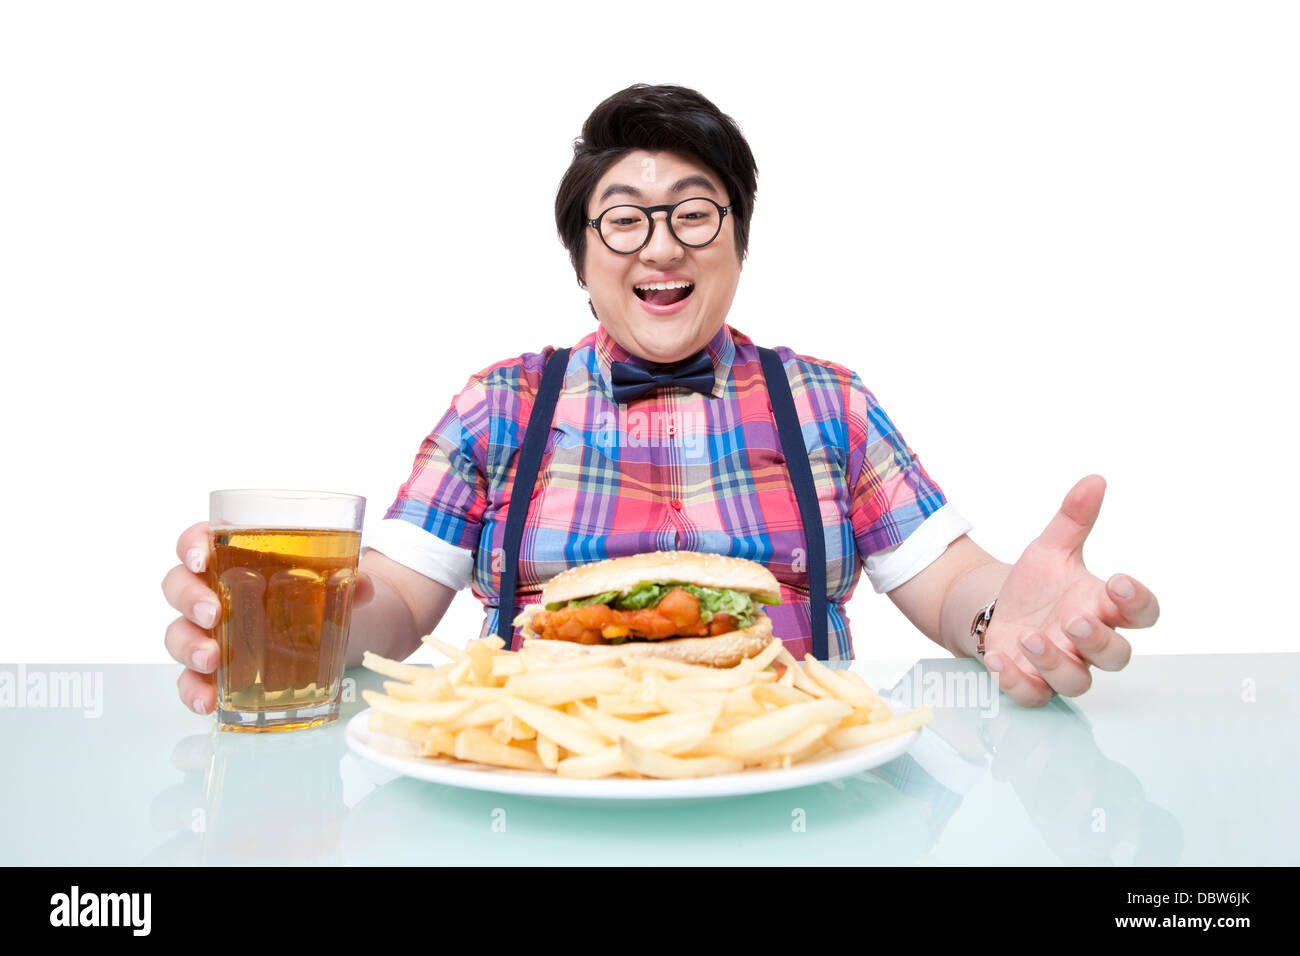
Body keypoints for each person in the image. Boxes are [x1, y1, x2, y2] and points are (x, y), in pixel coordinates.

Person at [161, 84, 1159, 711]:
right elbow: (392, 612)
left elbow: (952, 588)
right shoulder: (497, 407)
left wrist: (1008, 623)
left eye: (693, 214)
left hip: (792, 790)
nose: (663, 245)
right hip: (542, 795)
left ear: (737, 242)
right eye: (624, 222)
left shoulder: (829, 404)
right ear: (583, 260)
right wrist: (290, 622)